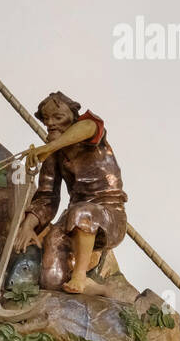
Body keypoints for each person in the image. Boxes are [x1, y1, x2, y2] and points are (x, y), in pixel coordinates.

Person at [13, 91, 128, 294]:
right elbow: (47, 197)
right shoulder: (52, 157)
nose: (51, 123)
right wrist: (28, 225)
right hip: (74, 219)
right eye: (47, 119)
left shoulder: (90, 132)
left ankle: (80, 276)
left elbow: (89, 126)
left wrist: (49, 148)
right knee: (52, 278)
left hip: (109, 215)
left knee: (82, 212)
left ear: (73, 118)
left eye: (58, 117)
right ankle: (97, 289)